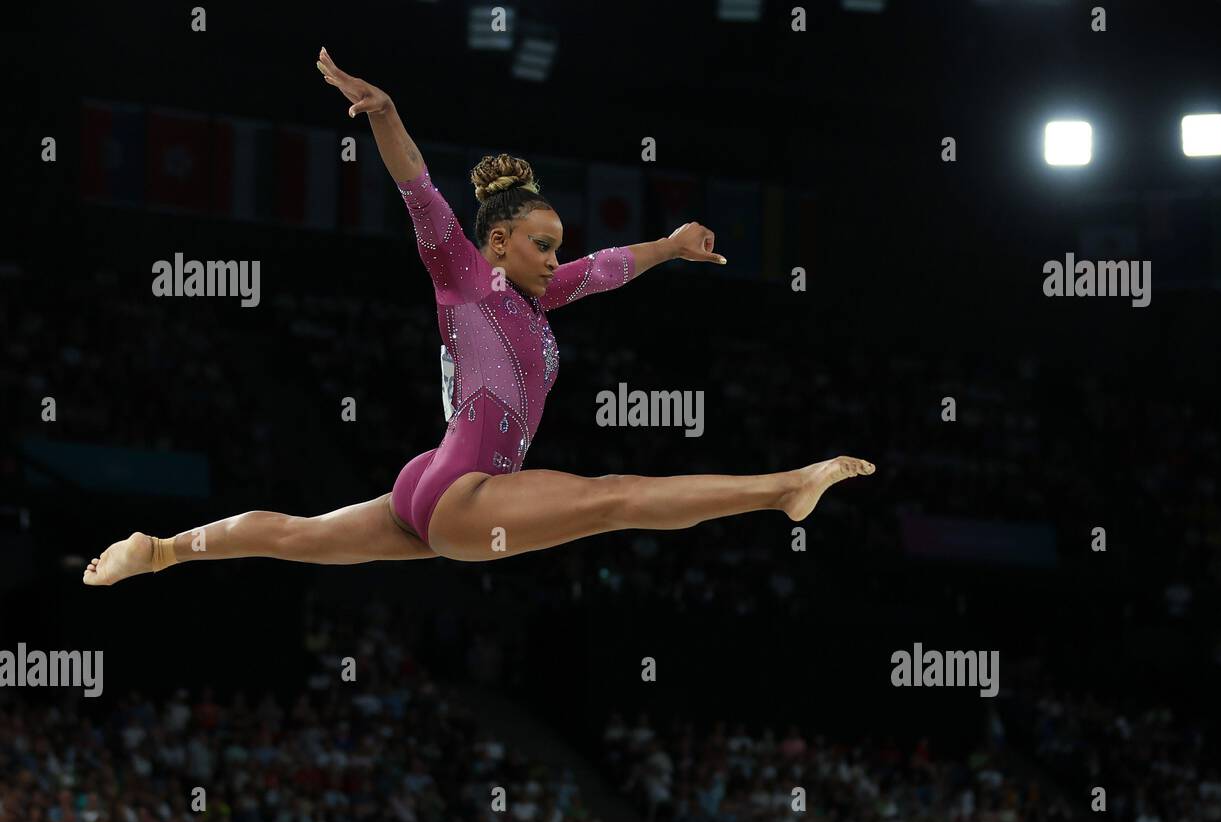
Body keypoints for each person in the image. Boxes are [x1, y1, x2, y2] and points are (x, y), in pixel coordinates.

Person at [82, 48, 873, 585]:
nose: (554, 259)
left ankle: (159, 550)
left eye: (556, 247)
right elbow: (420, 190)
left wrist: (669, 245)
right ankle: (785, 488)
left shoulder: (541, 295)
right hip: (463, 494)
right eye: (541, 245)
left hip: (429, 485)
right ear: (499, 241)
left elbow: (609, 267)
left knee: (298, 534)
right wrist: (386, 114)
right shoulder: (464, 275)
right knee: (616, 495)